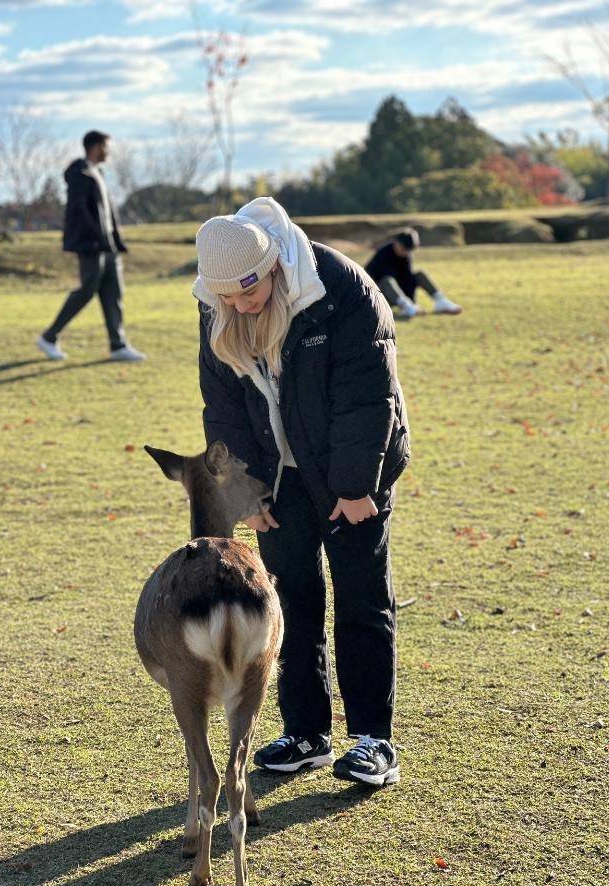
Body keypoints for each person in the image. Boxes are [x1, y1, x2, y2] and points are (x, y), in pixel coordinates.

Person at [195, 197, 410, 787]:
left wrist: (355, 485)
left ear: (271, 268)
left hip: (352, 474)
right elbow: (225, 407)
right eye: (227, 299)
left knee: (362, 599)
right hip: (279, 478)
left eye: (249, 293)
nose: (239, 307)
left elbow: (368, 396)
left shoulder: (340, 288)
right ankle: (306, 733)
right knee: (290, 600)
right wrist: (245, 491)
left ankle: (373, 741)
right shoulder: (216, 302)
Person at [37, 130, 145, 362]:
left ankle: (118, 345)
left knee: (113, 293)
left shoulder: (99, 173)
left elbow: (108, 213)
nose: (108, 151)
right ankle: (49, 337)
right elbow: (78, 210)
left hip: (108, 247)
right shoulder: (79, 172)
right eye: (106, 146)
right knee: (87, 290)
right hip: (92, 246)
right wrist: (96, 237)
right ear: (95, 147)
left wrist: (115, 241)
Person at [365, 227, 461, 319]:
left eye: (409, 250)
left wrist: (412, 301)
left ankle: (441, 301)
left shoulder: (405, 255)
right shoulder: (382, 254)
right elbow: (370, 282)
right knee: (387, 280)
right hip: (379, 297)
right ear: (397, 243)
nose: (406, 252)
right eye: (404, 248)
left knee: (419, 274)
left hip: (400, 295)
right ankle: (406, 306)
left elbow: (407, 278)